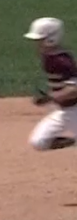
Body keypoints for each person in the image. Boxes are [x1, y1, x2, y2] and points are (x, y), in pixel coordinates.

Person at [25, 18, 77, 151]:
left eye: (39, 40)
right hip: (64, 112)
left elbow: (74, 89)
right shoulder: (49, 58)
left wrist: (50, 97)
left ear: (51, 39)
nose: (37, 44)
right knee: (38, 142)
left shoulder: (62, 61)